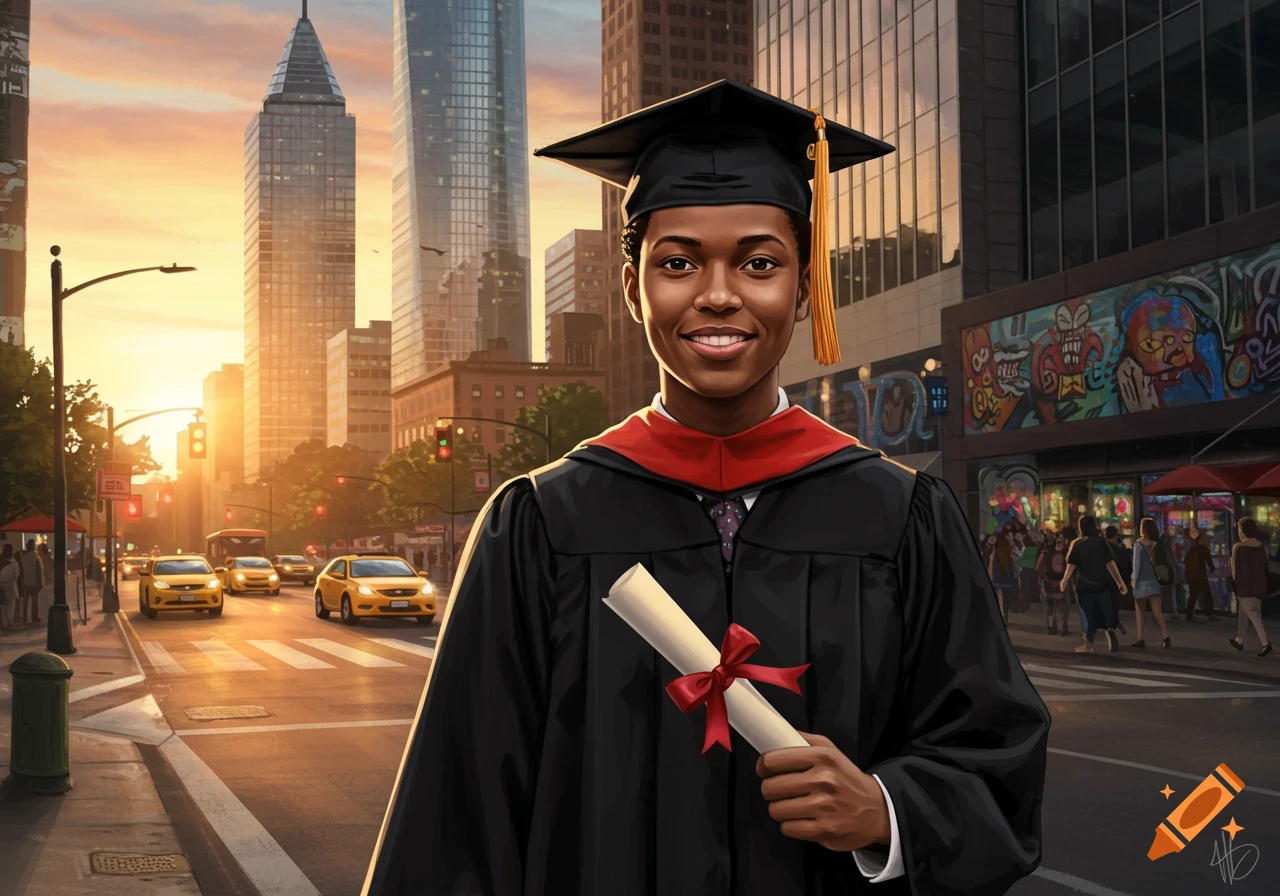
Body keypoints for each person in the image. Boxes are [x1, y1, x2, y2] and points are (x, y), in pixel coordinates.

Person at [363, 82, 1050, 896]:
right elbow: (457, 816)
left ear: (802, 289)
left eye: (759, 263)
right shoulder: (544, 522)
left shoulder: (898, 517)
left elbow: (996, 761)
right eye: (678, 262)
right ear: (632, 289)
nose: (718, 293)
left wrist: (889, 809)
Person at [1062, 516, 1128, 654]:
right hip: (1102, 585)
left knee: (1087, 615)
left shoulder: (1077, 544)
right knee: (1104, 611)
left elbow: (1071, 565)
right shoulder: (1102, 543)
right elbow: (1111, 564)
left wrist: (1065, 580)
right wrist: (1120, 582)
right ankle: (1109, 630)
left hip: (1085, 586)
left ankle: (1088, 644)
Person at [1228, 518, 1271, 657]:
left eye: (1239, 530)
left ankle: (1265, 644)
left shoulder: (1238, 546)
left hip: (1244, 586)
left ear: (1243, 531)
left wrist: (1235, 585)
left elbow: (1234, 571)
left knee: (1254, 615)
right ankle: (1239, 640)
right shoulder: (1260, 546)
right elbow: (1265, 565)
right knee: (1244, 612)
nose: (1239, 532)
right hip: (1259, 585)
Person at [1131, 518, 1172, 649]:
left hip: (1141, 581)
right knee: (1157, 613)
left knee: (1140, 612)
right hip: (1154, 581)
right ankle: (1166, 637)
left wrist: (1133, 579)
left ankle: (1140, 639)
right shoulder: (1156, 544)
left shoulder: (1138, 545)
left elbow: (1136, 565)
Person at [1036, 530, 1070, 636]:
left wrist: (1044, 577)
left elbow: (1038, 567)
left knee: (1053, 606)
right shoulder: (1065, 553)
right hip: (1056, 582)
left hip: (1053, 582)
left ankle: (1053, 628)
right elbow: (1038, 567)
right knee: (1058, 606)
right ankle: (1058, 628)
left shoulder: (1047, 553)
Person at [1182, 527, 1217, 621]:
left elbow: (1185, 563)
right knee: (1207, 595)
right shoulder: (1204, 550)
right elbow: (1210, 565)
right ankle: (1210, 614)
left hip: (1191, 576)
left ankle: (1189, 615)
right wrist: (1214, 571)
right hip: (1200, 576)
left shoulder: (1191, 550)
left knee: (1193, 595)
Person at [1103, 526, 1130, 636]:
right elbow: (1126, 566)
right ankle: (1112, 626)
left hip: (1102, 580)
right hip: (1115, 582)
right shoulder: (1119, 550)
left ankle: (1109, 624)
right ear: (1116, 536)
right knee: (1114, 603)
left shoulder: (1101, 548)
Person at [987, 532, 1017, 624]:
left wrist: (989, 577)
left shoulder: (994, 555)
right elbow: (1014, 568)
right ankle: (1005, 618)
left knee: (996, 601)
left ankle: (998, 619)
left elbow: (991, 567)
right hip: (1007, 582)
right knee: (1006, 602)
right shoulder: (1009, 555)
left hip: (996, 581)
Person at [18, 538, 44, 624]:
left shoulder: (22, 557)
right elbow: (38, 571)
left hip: (25, 582)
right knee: (34, 602)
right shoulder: (36, 557)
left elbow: (21, 571)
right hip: (34, 583)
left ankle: (24, 617)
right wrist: (40, 582)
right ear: (33, 546)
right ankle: (34, 617)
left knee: (25, 602)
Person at [0, 543, 16, 630]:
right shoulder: (14, 562)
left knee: (3, 604)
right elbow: (17, 574)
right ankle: (10, 620)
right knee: (11, 604)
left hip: (1, 585)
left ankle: (5, 622)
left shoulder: (1, 561)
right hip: (11, 585)